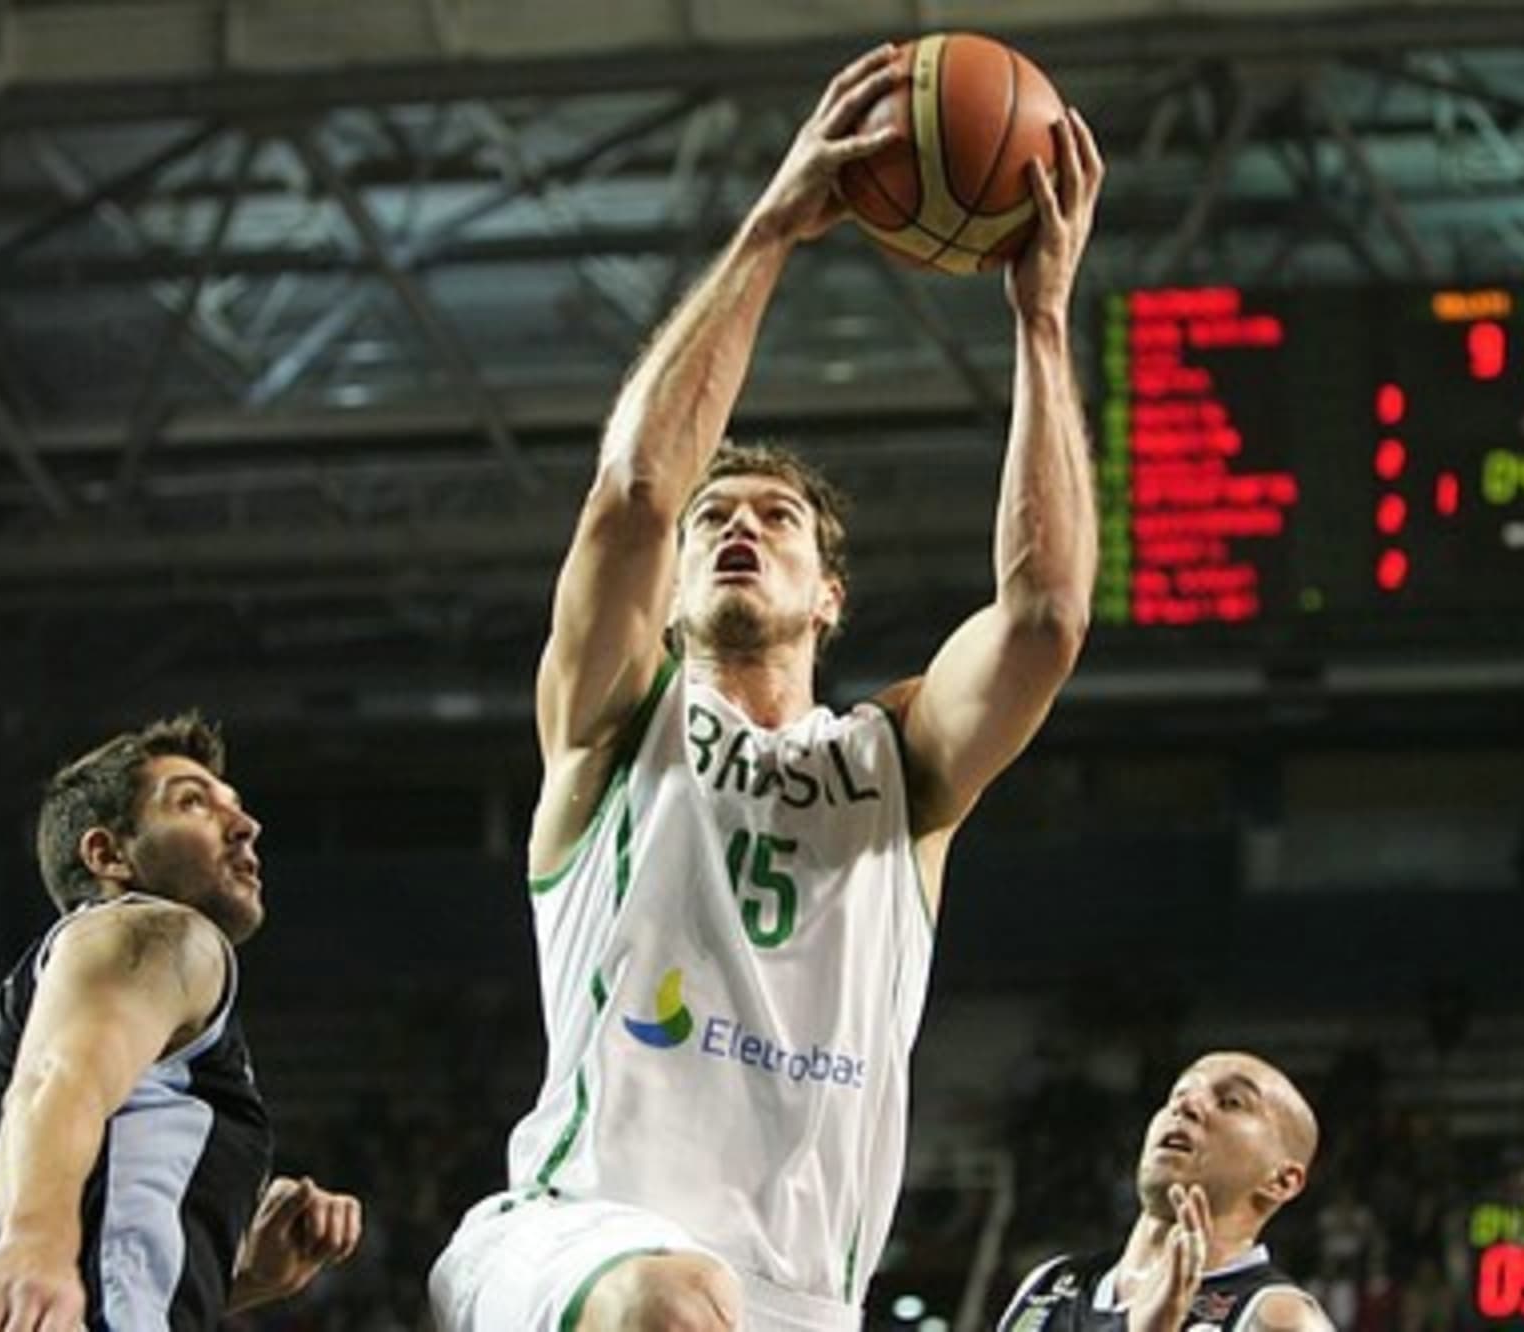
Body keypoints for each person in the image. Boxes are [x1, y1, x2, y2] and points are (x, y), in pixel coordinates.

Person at [430, 40, 1104, 1332]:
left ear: (829, 595)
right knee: (676, 1305)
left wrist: (1041, 318)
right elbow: (634, 496)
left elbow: (1046, 617)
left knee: (709, 1308)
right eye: (717, 519)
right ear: (675, 596)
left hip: (798, 1291)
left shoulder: (897, 770)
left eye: (777, 517)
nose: (738, 525)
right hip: (571, 1239)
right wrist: (774, 224)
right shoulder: (621, 723)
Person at [0, 714, 362, 1331]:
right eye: (193, 804)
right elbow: (55, 1078)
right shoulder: (157, 931)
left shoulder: (37, 1001)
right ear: (107, 853)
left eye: (236, 806)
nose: (246, 826)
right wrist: (35, 1241)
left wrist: (241, 1279)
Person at [996, 1052, 1332, 1332]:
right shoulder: (1051, 1283)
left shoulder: (1280, 1318)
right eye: (1178, 1094)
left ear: (1281, 1180)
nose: (1187, 1106)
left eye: (1231, 1102)